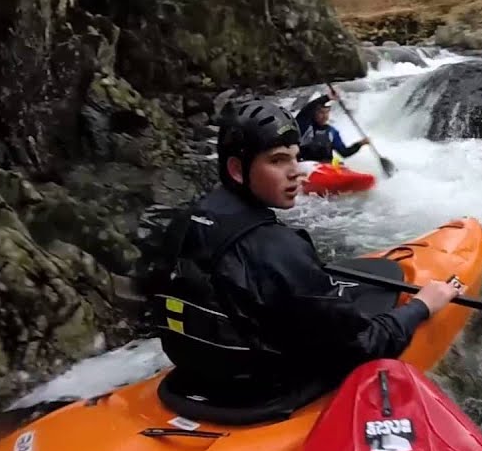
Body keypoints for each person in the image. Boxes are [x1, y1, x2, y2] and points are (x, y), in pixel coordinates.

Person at [151, 99, 462, 411]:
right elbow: (363, 346)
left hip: (195, 377)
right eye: (278, 160)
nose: (296, 173)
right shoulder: (278, 249)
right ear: (236, 170)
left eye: (296, 159)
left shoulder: (182, 222)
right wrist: (422, 305)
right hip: (258, 395)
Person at [295, 92, 369, 164]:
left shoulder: (332, 132)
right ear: (313, 113)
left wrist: (359, 144)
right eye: (321, 112)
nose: (325, 116)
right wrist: (327, 98)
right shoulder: (304, 126)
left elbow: (344, 153)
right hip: (307, 166)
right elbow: (306, 111)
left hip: (326, 168)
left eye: (327, 112)